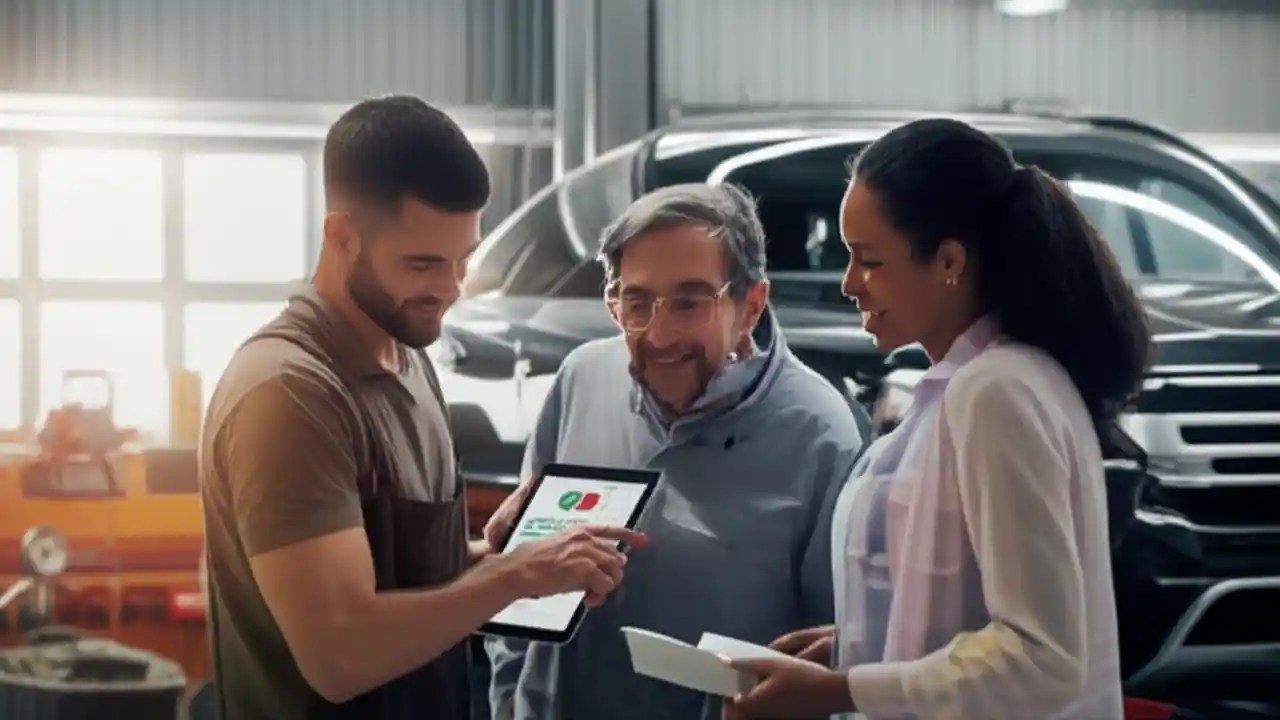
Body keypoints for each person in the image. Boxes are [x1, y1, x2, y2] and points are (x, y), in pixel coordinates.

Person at [198, 95, 647, 720]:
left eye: (463, 260)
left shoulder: (409, 359)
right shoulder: (286, 394)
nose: (451, 288)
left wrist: (505, 557)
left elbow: (392, 576)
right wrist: (511, 580)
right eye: (423, 264)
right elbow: (341, 654)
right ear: (341, 236)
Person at [723, 118, 1151, 720]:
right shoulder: (967, 386)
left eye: (868, 260)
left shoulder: (996, 392)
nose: (850, 284)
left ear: (949, 260)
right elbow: (959, 608)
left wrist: (843, 689)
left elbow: (1041, 658)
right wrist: (855, 649)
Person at [482, 183, 866, 720]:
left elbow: (838, 657)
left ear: (751, 305)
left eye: (689, 303)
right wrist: (508, 705)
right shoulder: (581, 380)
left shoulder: (821, 434)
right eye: (636, 302)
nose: (659, 335)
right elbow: (520, 583)